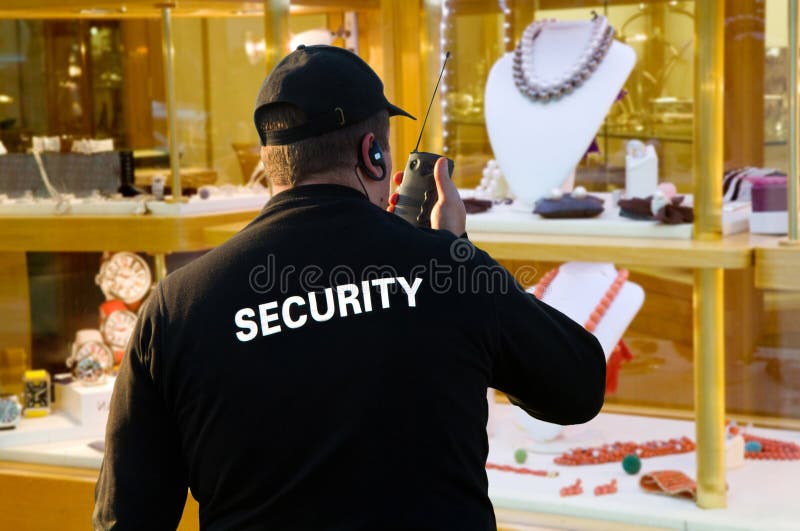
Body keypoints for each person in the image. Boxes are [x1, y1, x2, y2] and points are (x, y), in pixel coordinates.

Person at [93, 45, 605, 530]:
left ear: (270, 159)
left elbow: (127, 517)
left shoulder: (177, 306)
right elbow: (577, 387)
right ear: (373, 155)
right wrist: (458, 253)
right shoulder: (451, 271)